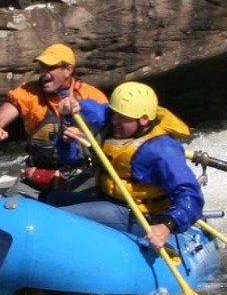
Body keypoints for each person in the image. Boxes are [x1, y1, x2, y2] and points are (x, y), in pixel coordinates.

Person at [64, 81, 203, 250]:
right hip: (110, 201)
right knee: (53, 199)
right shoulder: (116, 120)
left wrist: (167, 225)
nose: (114, 120)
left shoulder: (162, 151)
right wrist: (72, 106)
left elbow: (190, 194)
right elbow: (97, 111)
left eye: (122, 117)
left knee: (62, 218)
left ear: (144, 120)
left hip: (140, 215)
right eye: (115, 113)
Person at [0, 43, 108, 203]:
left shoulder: (91, 96)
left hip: (81, 176)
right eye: (41, 68)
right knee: (9, 207)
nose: (44, 73)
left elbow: (108, 131)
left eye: (50, 68)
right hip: (38, 176)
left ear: (68, 70)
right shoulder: (28, 93)